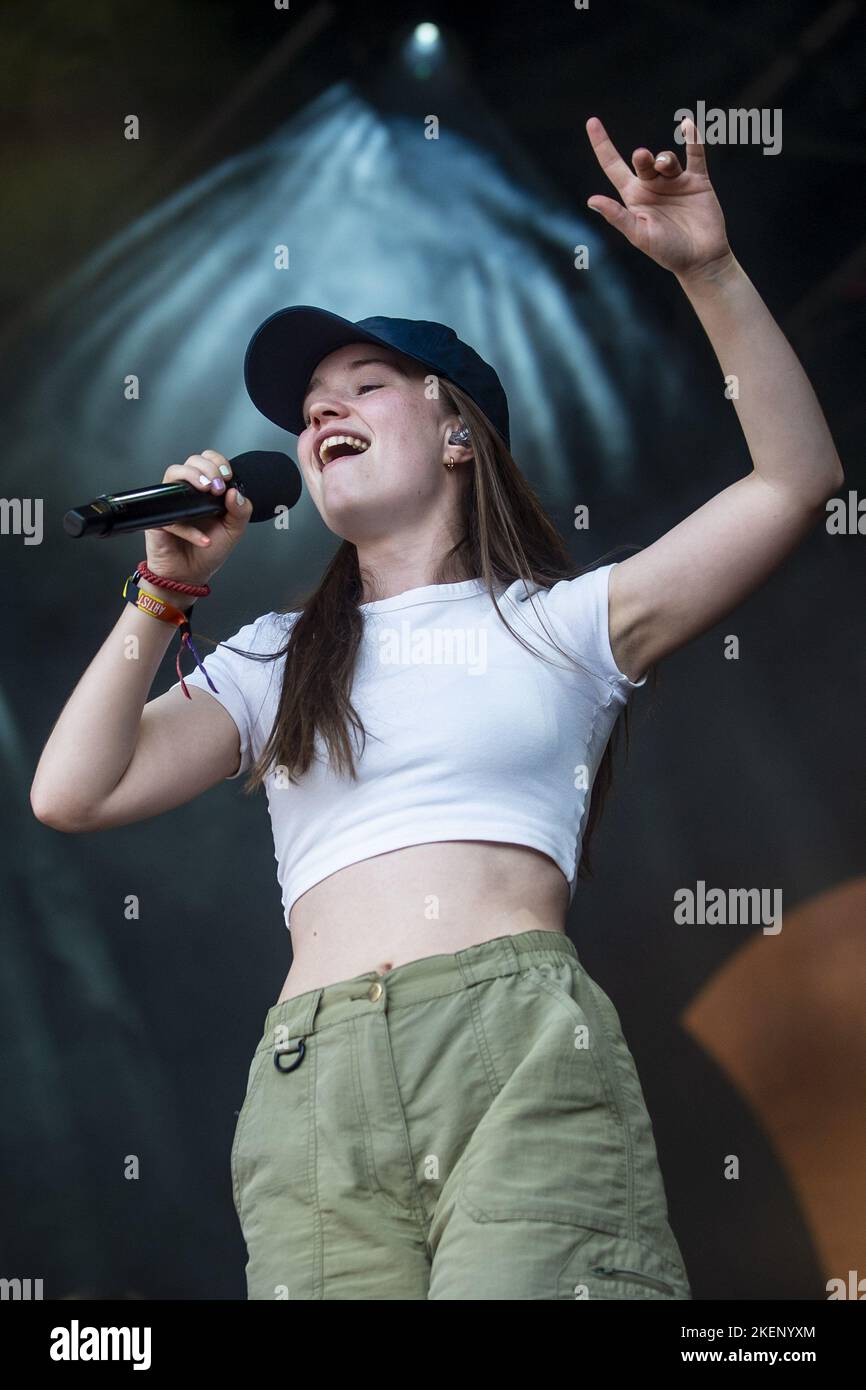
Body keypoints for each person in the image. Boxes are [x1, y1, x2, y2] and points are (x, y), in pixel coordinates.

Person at [30, 117, 843, 1301]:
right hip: (313, 1074)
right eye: (304, 409)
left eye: (362, 386)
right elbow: (71, 791)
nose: (317, 417)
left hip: (507, 1043)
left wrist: (706, 272)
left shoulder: (559, 624)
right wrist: (165, 587)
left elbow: (793, 480)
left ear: (456, 429)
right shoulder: (272, 659)